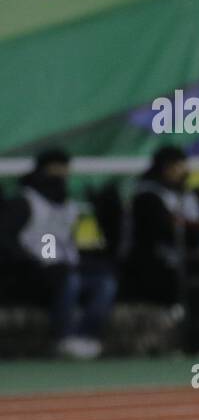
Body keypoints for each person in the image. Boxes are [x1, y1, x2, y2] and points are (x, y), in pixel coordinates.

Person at [0, 149, 117, 359]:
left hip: (64, 267)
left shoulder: (68, 205)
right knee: (68, 281)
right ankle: (63, 338)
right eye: (54, 171)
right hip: (33, 271)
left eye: (64, 171)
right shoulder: (25, 202)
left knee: (104, 281)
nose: (60, 176)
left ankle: (86, 337)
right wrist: (29, 261)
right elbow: (7, 240)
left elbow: (67, 244)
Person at [121, 146, 199, 305]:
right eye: (177, 167)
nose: (182, 172)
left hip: (182, 262)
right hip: (151, 267)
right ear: (165, 168)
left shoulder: (186, 194)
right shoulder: (147, 195)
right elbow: (164, 232)